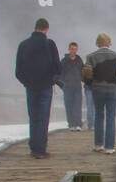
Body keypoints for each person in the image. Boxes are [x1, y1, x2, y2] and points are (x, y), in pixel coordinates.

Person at [14, 17, 60, 158]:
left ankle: (34, 147)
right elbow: (58, 67)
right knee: (43, 117)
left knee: (33, 116)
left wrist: (26, 82)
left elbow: (18, 71)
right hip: (46, 86)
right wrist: (52, 80)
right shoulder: (50, 44)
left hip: (31, 87)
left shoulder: (23, 45)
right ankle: (40, 149)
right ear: (46, 29)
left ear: (35, 28)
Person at [82, 32, 116, 154]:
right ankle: (109, 147)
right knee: (111, 117)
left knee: (99, 115)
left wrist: (89, 84)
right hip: (113, 89)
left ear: (97, 43)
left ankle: (98, 144)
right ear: (109, 43)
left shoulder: (91, 57)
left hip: (98, 89)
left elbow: (87, 73)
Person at [58, 42, 85, 129]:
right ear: (69, 49)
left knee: (77, 105)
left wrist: (86, 81)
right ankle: (71, 124)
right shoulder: (64, 61)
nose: (73, 51)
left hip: (77, 86)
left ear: (77, 50)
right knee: (69, 105)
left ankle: (78, 124)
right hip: (67, 87)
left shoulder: (79, 60)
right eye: (72, 49)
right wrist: (62, 84)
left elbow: (83, 72)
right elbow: (59, 74)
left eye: (75, 49)